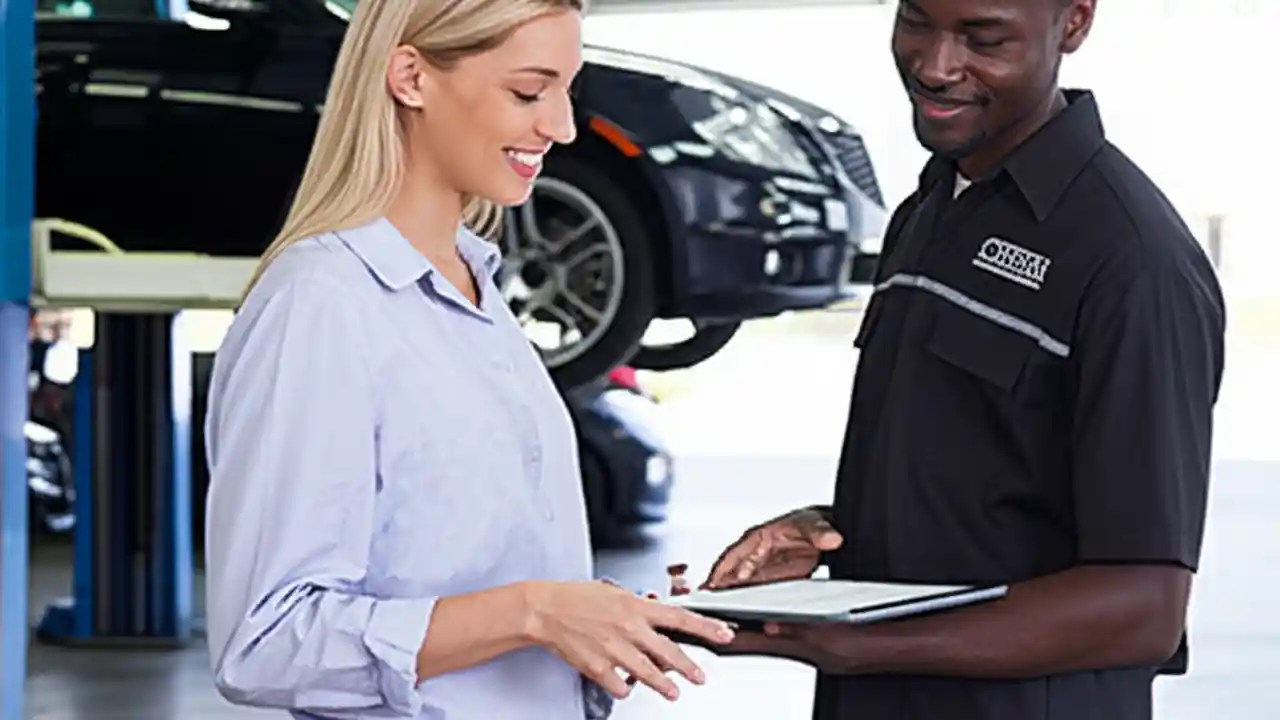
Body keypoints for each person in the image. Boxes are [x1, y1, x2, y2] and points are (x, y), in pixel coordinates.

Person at [672, 1, 1227, 719]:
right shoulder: (932, 206)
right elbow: (993, 484)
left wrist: (869, 645)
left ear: (1075, 23)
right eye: (916, 19)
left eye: (983, 38)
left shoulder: (1135, 264)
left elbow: (1144, 605)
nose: (934, 66)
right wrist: (825, 530)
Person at [201, 1, 735, 718]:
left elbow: (461, 576)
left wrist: (592, 620)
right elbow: (265, 644)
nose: (563, 126)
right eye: (528, 91)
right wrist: (533, 613)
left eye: (567, 91)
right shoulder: (321, 306)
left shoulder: (478, 288)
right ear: (411, 77)